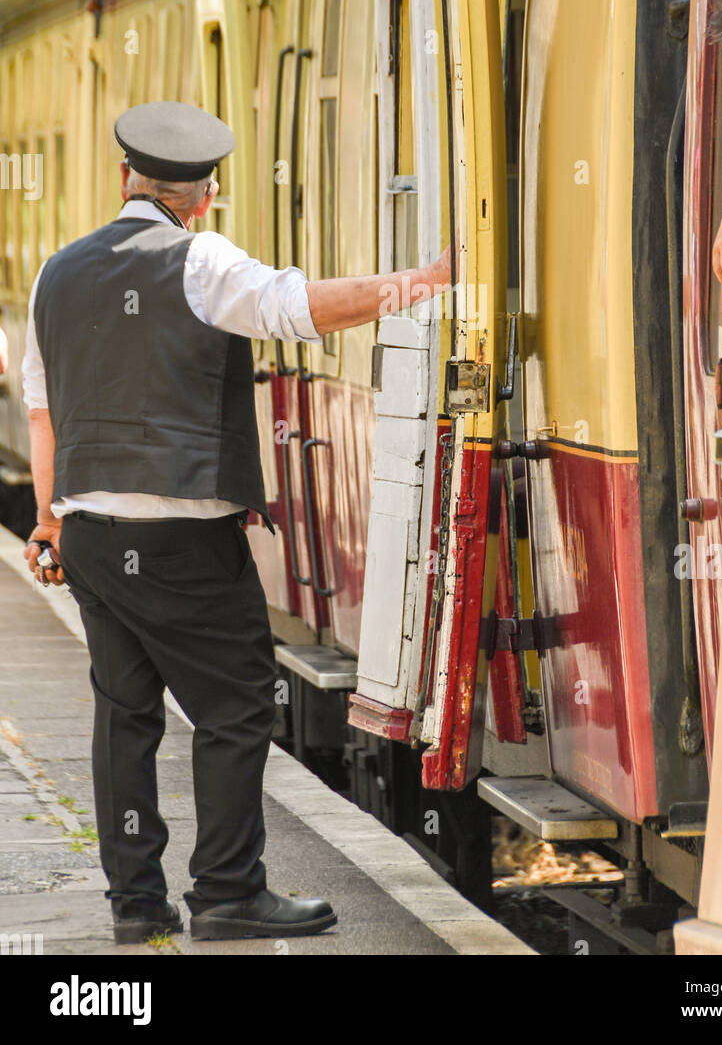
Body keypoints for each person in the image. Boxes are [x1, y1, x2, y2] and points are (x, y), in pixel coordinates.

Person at [21, 100, 451, 945]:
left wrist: (47, 524)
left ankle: (136, 904)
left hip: (93, 533)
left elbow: (43, 417)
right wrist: (422, 283)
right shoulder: (200, 259)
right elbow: (304, 308)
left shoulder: (56, 274)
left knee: (126, 713)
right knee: (239, 705)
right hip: (183, 538)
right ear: (205, 197)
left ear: (125, 181)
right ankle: (227, 891)